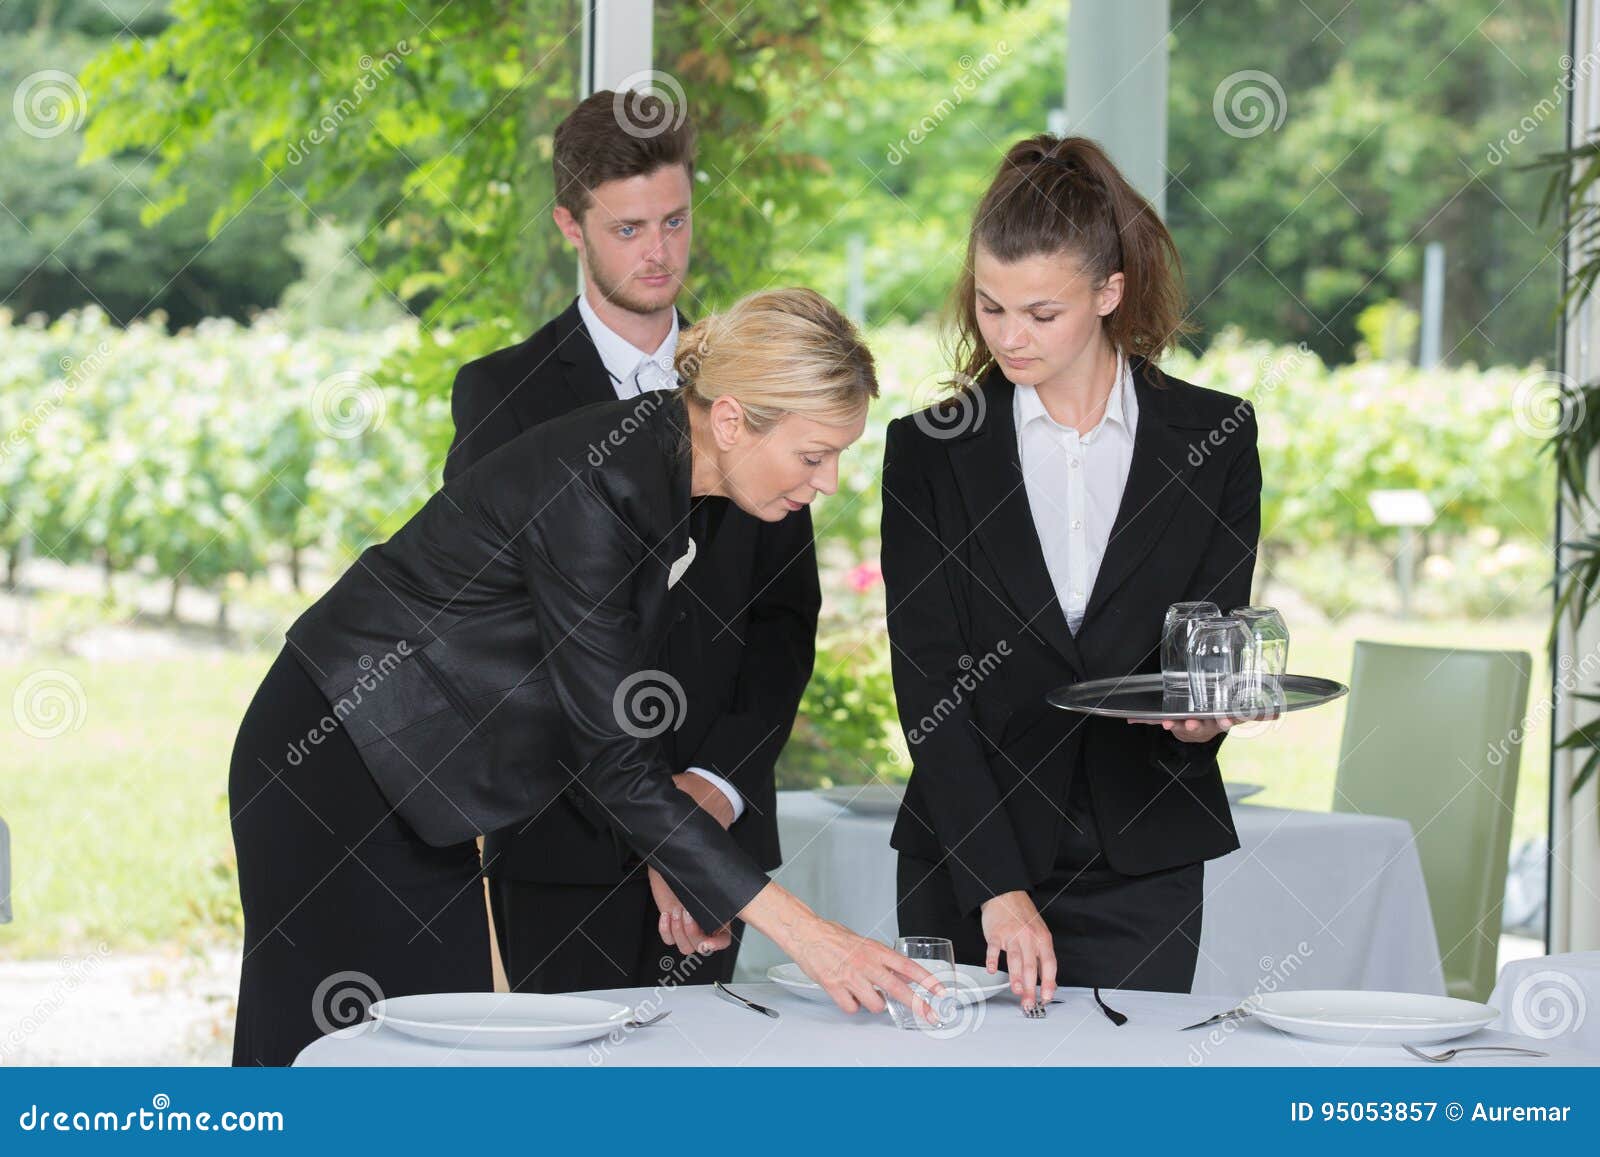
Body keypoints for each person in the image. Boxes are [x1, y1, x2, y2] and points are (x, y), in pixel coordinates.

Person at [229, 287, 938, 1066]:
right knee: (329, 1047)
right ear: (732, 419)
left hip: (416, 784)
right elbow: (615, 755)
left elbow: (605, 714)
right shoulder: (600, 488)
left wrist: (675, 849)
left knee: (430, 1051)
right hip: (331, 758)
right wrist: (813, 937)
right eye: (815, 454)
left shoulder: (680, 480)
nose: (829, 480)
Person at [879, 135, 1262, 1011]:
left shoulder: (1216, 440)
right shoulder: (928, 451)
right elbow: (928, 681)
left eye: (1041, 314)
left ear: (1108, 292)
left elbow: (1209, 645)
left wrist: (1205, 722)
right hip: (967, 860)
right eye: (990, 308)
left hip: (1145, 858)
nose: (1010, 338)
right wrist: (995, 885)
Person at [444, 90, 815, 992]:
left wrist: (714, 790)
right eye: (628, 228)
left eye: (676, 220)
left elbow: (784, 620)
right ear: (570, 225)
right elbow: (504, 638)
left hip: (716, 833)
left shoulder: (755, 384)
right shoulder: (501, 395)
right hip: (558, 839)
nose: (658, 252)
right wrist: (649, 814)